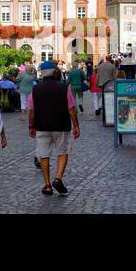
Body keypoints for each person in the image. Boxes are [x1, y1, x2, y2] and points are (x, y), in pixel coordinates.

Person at [28, 62, 80, 195]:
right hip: (60, 125)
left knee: (44, 154)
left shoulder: (35, 89)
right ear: (54, 72)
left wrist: (31, 126)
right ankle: (58, 178)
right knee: (62, 151)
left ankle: (47, 184)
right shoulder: (64, 88)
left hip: (42, 126)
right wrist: (76, 126)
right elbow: (71, 109)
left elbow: (32, 111)